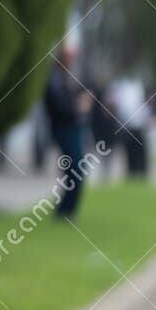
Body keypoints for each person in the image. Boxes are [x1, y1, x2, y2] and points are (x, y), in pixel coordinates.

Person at [43, 46, 90, 220]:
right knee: (75, 168)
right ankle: (65, 211)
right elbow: (59, 107)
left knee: (75, 170)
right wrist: (79, 107)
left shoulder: (66, 77)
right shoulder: (54, 79)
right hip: (64, 129)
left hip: (72, 128)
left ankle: (68, 211)